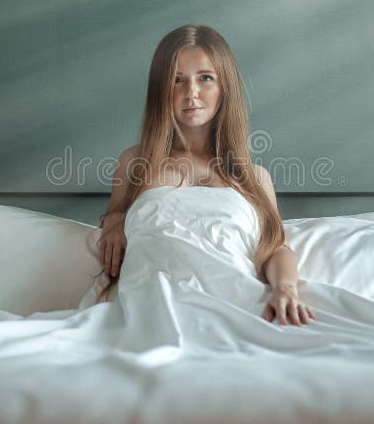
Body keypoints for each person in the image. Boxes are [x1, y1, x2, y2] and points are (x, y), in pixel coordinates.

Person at [95, 24, 316, 328]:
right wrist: (115, 224)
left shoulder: (255, 178)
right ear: (161, 89)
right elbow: (115, 215)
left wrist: (285, 290)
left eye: (205, 78)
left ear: (224, 87)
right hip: (151, 305)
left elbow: (275, 248)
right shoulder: (135, 162)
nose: (191, 93)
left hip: (239, 305)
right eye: (177, 80)